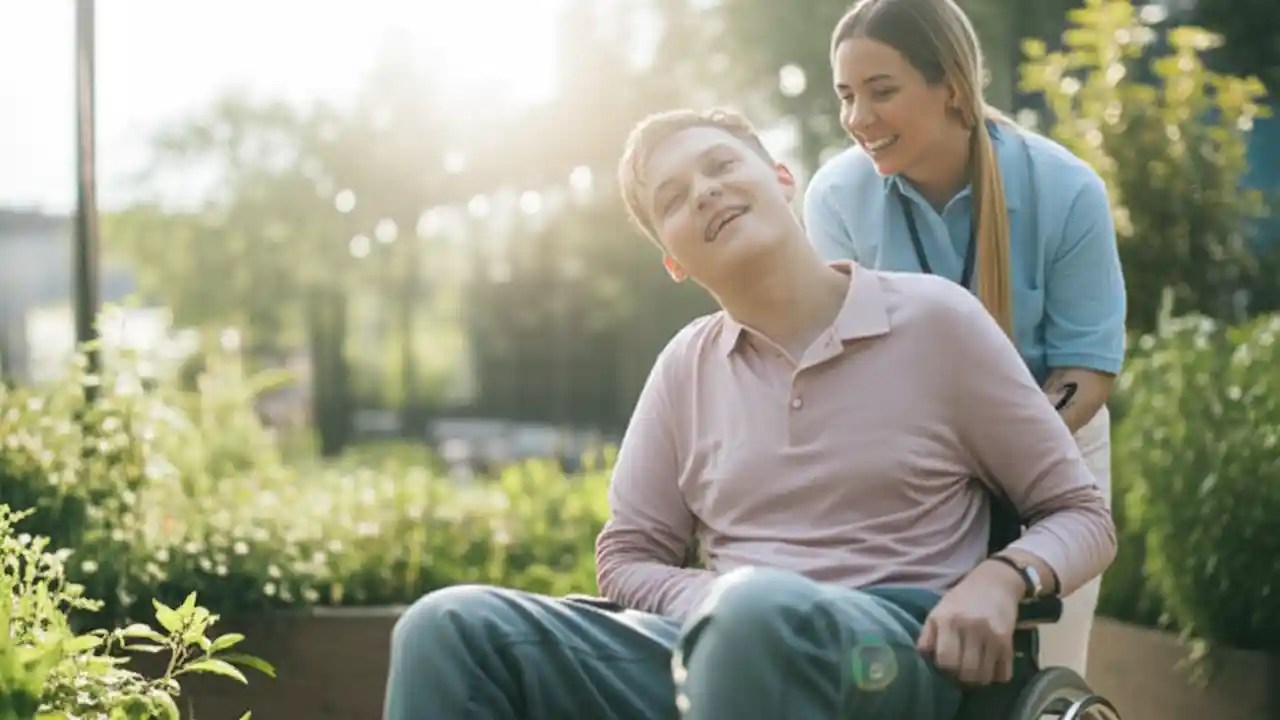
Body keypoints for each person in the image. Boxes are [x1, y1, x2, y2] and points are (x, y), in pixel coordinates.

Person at [381, 107, 1116, 720]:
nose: (702, 192)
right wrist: (711, 599)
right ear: (672, 260)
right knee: (447, 627)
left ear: (781, 179)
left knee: (756, 617)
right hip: (709, 646)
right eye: (672, 199)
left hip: (891, 653)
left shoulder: (936, 321)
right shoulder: (684, 368)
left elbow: (1079, 512)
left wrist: (1004, 577)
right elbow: (627, 556)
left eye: (721, 167)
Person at [802, 0, 1127, 676]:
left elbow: (1085, 373)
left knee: (1048, 667)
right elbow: (844, 366)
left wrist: (1004, 452)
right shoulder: (835, 198)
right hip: (910, 461)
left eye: (881, 91)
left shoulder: (1066, 191)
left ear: (950, 83)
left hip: (1052, 445)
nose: (858, 118)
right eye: (846, 96)